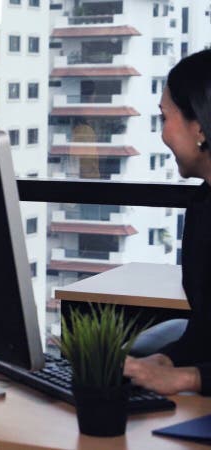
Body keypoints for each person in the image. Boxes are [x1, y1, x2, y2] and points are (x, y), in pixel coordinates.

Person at [124, 49, 211, 396]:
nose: (162, 134)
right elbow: (204, 333)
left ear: (199, 126)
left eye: (165, 118)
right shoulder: (203, 206)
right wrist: (166, 361)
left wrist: (190, 378)